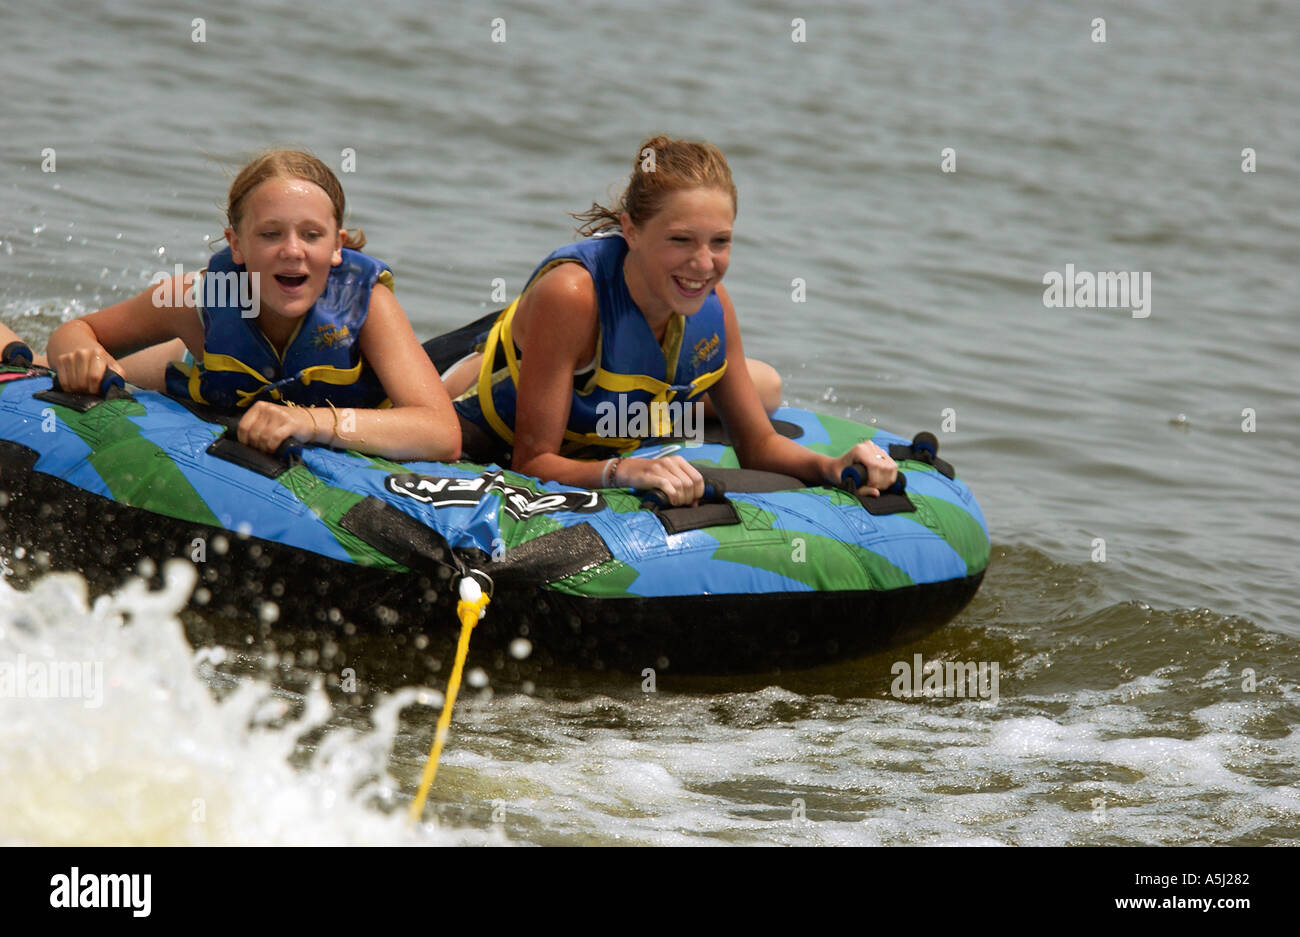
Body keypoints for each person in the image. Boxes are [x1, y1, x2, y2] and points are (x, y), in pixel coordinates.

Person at [446, 135, 897, 504]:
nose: (704, 265)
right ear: (631, 231)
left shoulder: (715, 306)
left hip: (604, 408)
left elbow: (758, 446)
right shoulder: (573, 296)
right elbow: (532, 462)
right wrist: (625, 471)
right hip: (478, 406)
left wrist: (833, 466)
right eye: (681, 240)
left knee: (766, 389)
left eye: (720, 242)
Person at [46, 150, 460, 462]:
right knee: (44, 364)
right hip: (189, 365)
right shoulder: (196, 297)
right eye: (270, 234)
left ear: (337, 246)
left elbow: (442, 432)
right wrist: (79, 355)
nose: (293, 250)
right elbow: (79, 330)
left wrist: (311, 422)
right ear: (237, 244)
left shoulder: (368, 304)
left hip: (322, 414)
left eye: (312, 235)